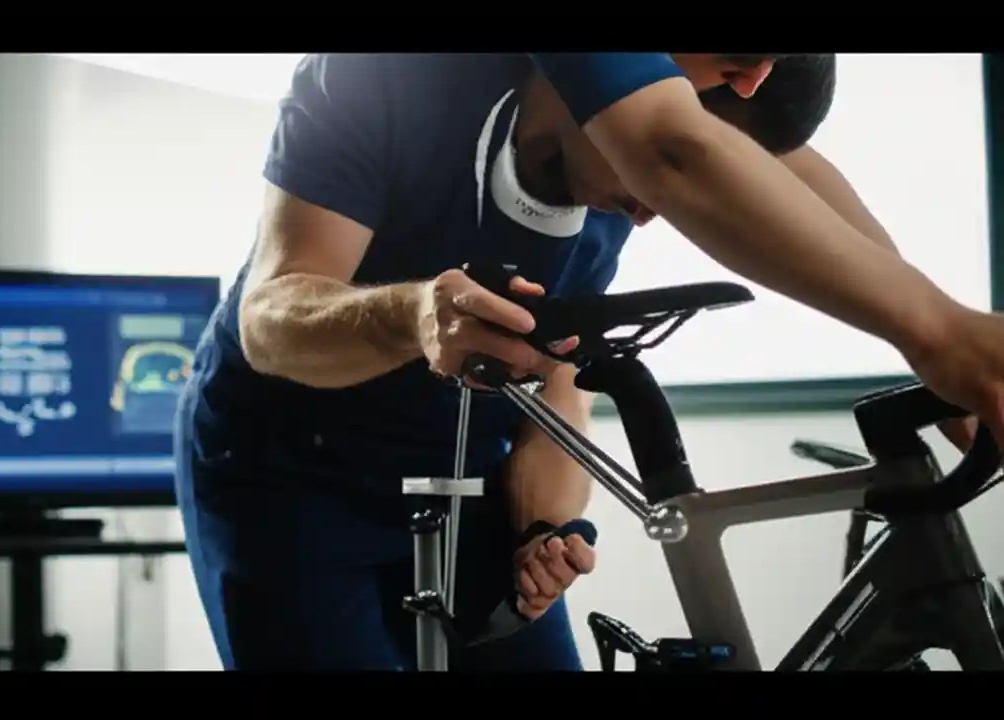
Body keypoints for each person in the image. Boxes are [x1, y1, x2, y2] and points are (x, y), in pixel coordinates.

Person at [172, 52, 986, 671]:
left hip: (466, 476)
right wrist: (413, 314)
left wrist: (544, 527)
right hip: (284, 473)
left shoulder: (612, 191)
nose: (651, 217)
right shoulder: (389, 77)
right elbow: (271, 323)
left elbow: (558, 389)